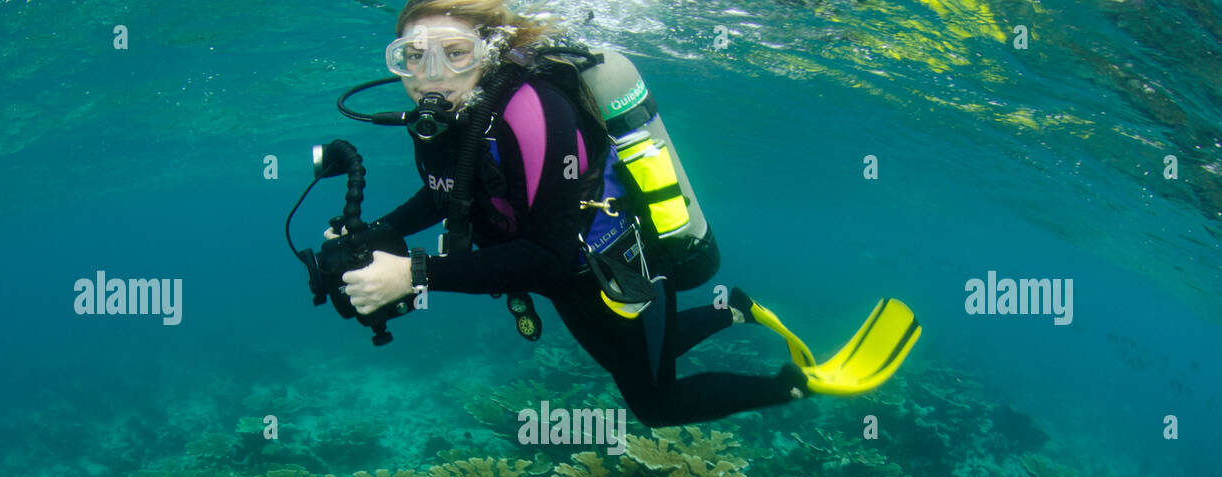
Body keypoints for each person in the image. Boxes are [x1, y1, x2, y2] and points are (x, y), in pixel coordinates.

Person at [340, 0, 919, 426]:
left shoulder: (532, 112)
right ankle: (734, 312)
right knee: (620, 360)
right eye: (411, 57)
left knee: (654, 403)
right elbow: (447, 192)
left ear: (489, 51)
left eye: (454, 52)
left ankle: (795, 386)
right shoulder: (440, 118)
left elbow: (545, 255)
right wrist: (379, 231)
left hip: (624, 270)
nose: (430, 73)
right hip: (567, 276)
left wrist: (413, 274)